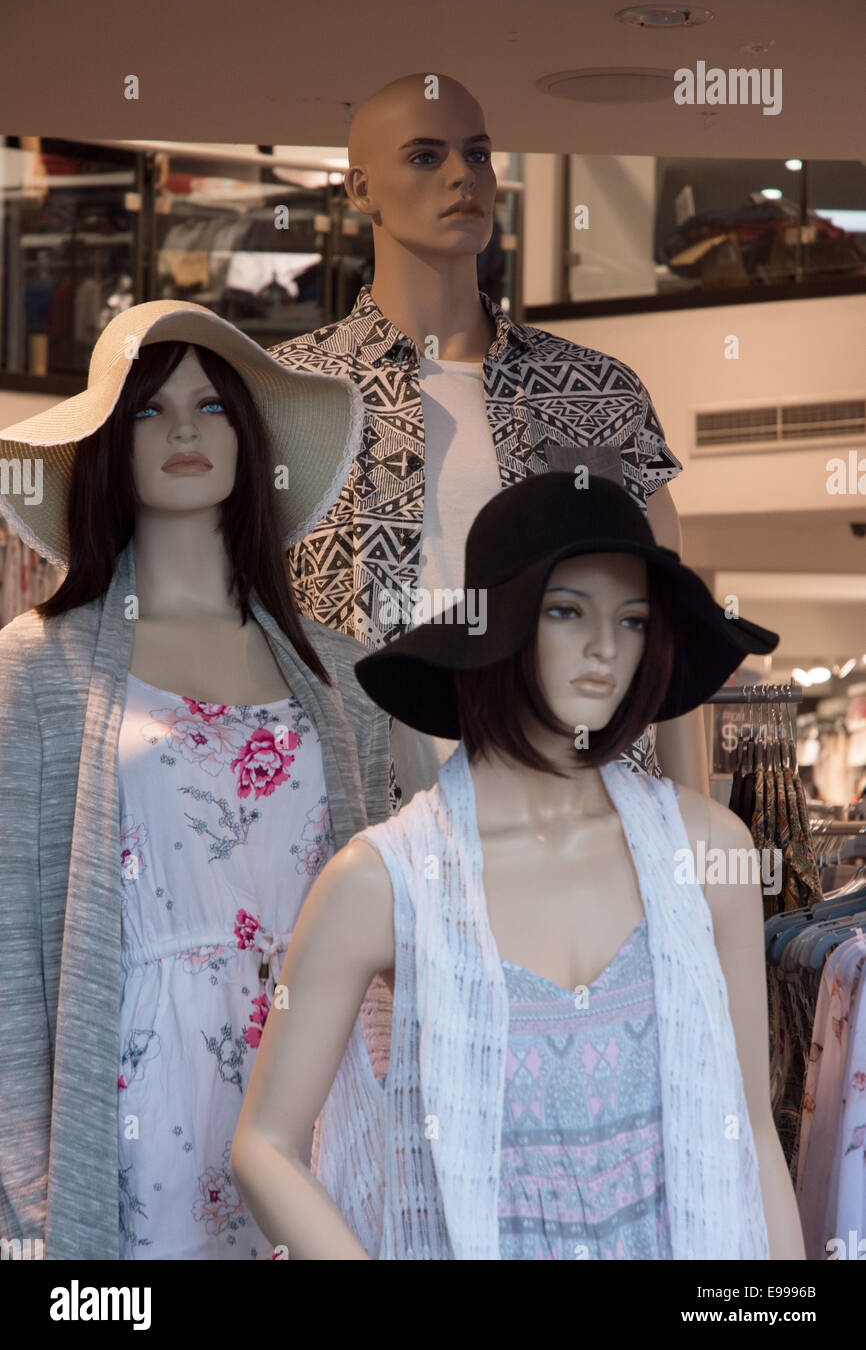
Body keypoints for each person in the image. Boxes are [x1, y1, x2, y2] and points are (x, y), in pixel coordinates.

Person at [230, 471, 806, 1260]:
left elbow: (750, 1138)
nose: (607, 647)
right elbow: (263, 1145)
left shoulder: (709, 856)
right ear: (496, 632)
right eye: (567, 612)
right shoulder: (384, 880)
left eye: (633, 621)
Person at [0, 299, 389, 1260]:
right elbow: (10, 943)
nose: (183, 428)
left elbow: (387, 923)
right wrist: (30, 1194)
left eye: (212, 406)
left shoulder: (343, 680)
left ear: (251, 442)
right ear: (104, 446)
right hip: (138, 1092)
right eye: (148, 408)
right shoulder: (37, 669)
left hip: (321, 1082)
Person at [269, 72, 708, 802]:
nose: (461, 178)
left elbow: (668, 623)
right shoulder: (290, 394)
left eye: (477, 155)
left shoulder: (598, 391)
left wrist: (691, 844)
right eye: (424, 157)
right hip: (372, 815)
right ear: (359, 189)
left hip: (586, 816)